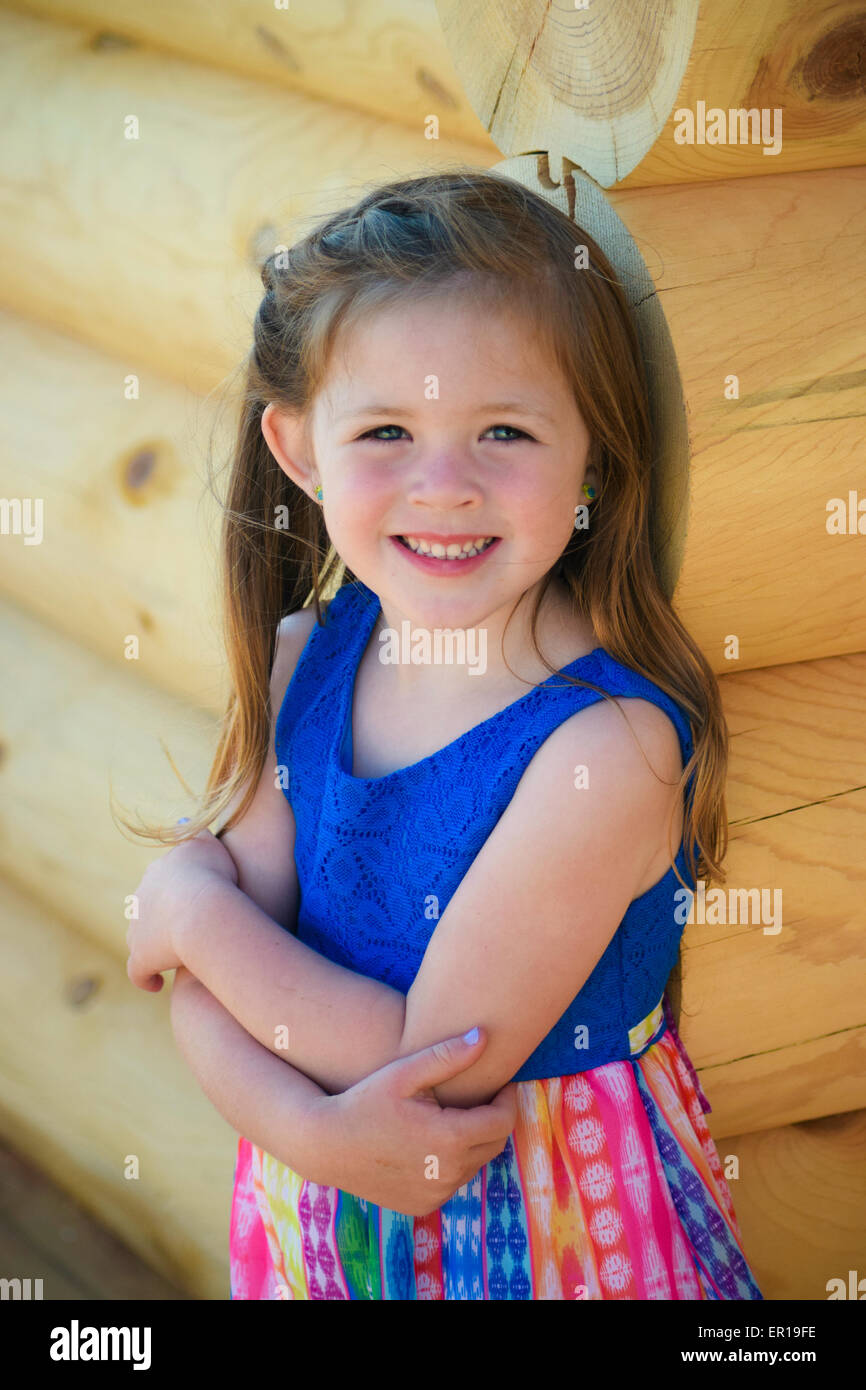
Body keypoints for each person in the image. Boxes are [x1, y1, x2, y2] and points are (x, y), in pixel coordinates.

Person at [124, 169, 762, 1300]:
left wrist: (186, 901)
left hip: (548, 1236)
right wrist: (304, 1132)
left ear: (593, 458)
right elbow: (205, 982)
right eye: (384, 430)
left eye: (504, 431)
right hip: (314, 1216)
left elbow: (423, 1058)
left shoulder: (603, 749)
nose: (445, 487)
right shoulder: (308, 652)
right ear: (300, 449)